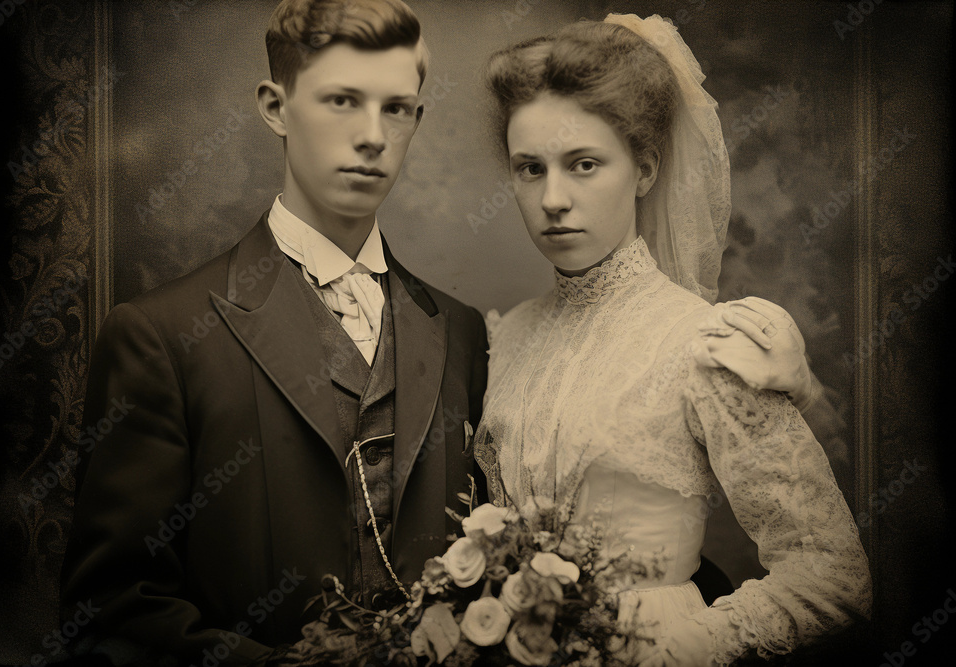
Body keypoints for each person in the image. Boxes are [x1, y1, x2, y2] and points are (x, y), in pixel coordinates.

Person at [61, 2, 823, 665]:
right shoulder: (161, 333)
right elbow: (113, 612)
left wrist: (666, 625)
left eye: (396, 107)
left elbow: (741, 550)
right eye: (339, 101)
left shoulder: (461, 332)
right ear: (273, 105)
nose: (370, 136)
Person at [474, 14, 871, 666]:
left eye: (583, 165)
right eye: (529, 168)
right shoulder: (506, 334)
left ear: (645, 170)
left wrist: (678, 647)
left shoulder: (709, 343)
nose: (552, 198)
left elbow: (831, 573)